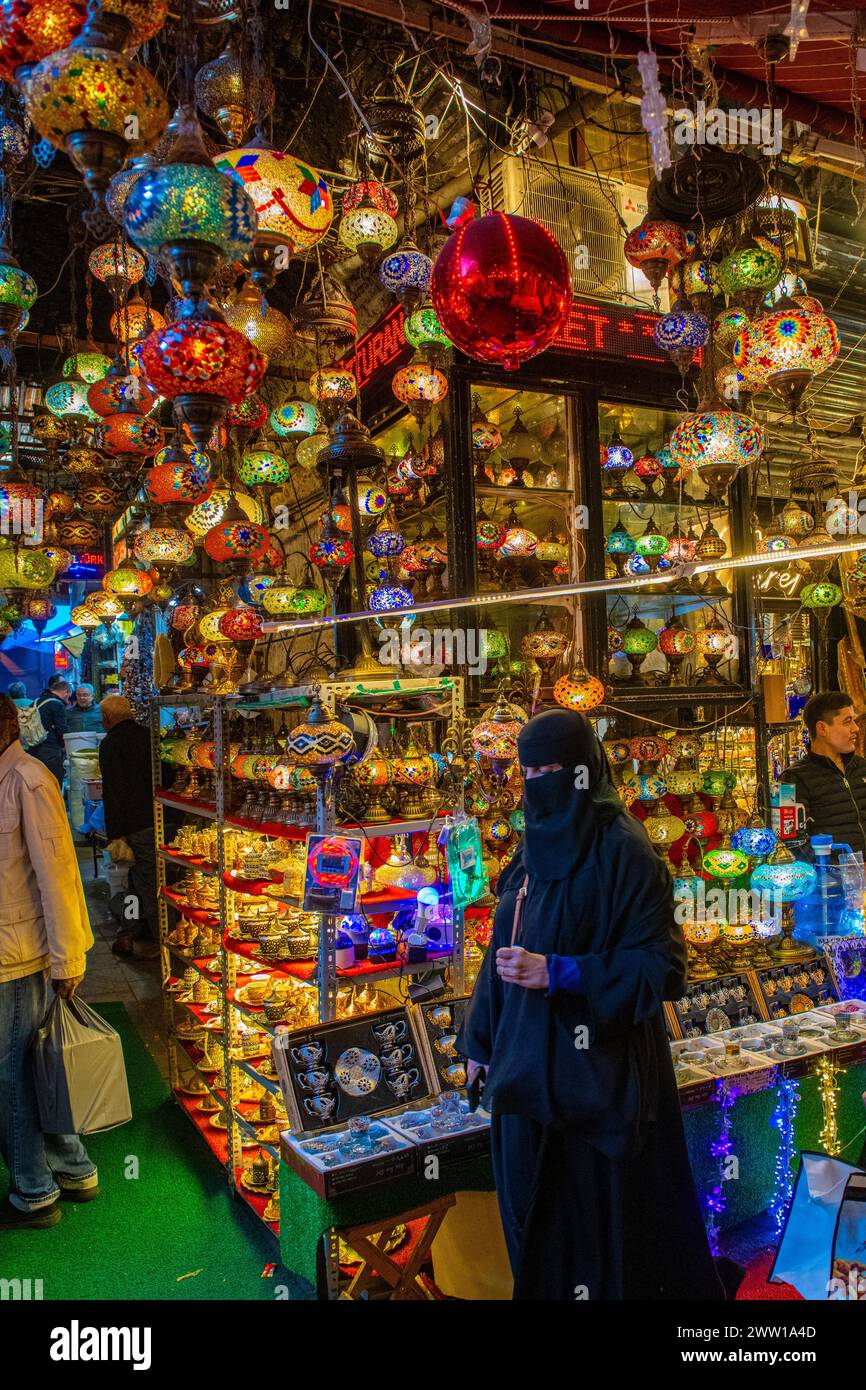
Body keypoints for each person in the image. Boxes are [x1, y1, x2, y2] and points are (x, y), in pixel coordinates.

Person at [457, 708, 723, 1301]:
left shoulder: (624, 850)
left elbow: (662, 967)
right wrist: (479, 1043)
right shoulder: (536, 844)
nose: (539, 782)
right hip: (525, 1073)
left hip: (597, 1080)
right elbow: (503, 949)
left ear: (583, 770)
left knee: (596, 1238)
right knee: (532, 1223)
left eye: (552, 769)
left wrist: (560, 972)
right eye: (529, 771)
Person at [0, 693, 97, 1230]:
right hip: (16, 949)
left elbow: (58, 875)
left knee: (14, 1077)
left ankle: (34, 1190)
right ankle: (72, 1168)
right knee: (35, 1068)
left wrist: (67, 959)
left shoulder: (28, 779)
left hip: (19, 956)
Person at [98, 695, 158, 958]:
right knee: (138, 881)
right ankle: (131, 929)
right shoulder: (150, 736)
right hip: (160, 816)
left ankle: (161, 938)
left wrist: (115, 834)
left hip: (136, 824)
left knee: (144, 882)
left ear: (106, 719)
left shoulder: (111, 743)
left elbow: (113, 791)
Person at [781, 692, 866, 856]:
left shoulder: (862, 767)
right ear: (822, 728)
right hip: (831, 878)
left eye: (854, 720)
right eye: (847, 721)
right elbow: (792, 842)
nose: (855, 728)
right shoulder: (794, 779)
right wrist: (837, 869)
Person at [28, 674, 71, 786]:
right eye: (69, 695)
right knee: (54, 783)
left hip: (33, 748)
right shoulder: (57, 704)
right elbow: (62, 729)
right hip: (50, 751)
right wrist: (67, 747)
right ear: (66, 692)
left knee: (38, 784)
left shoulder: (36, 701)